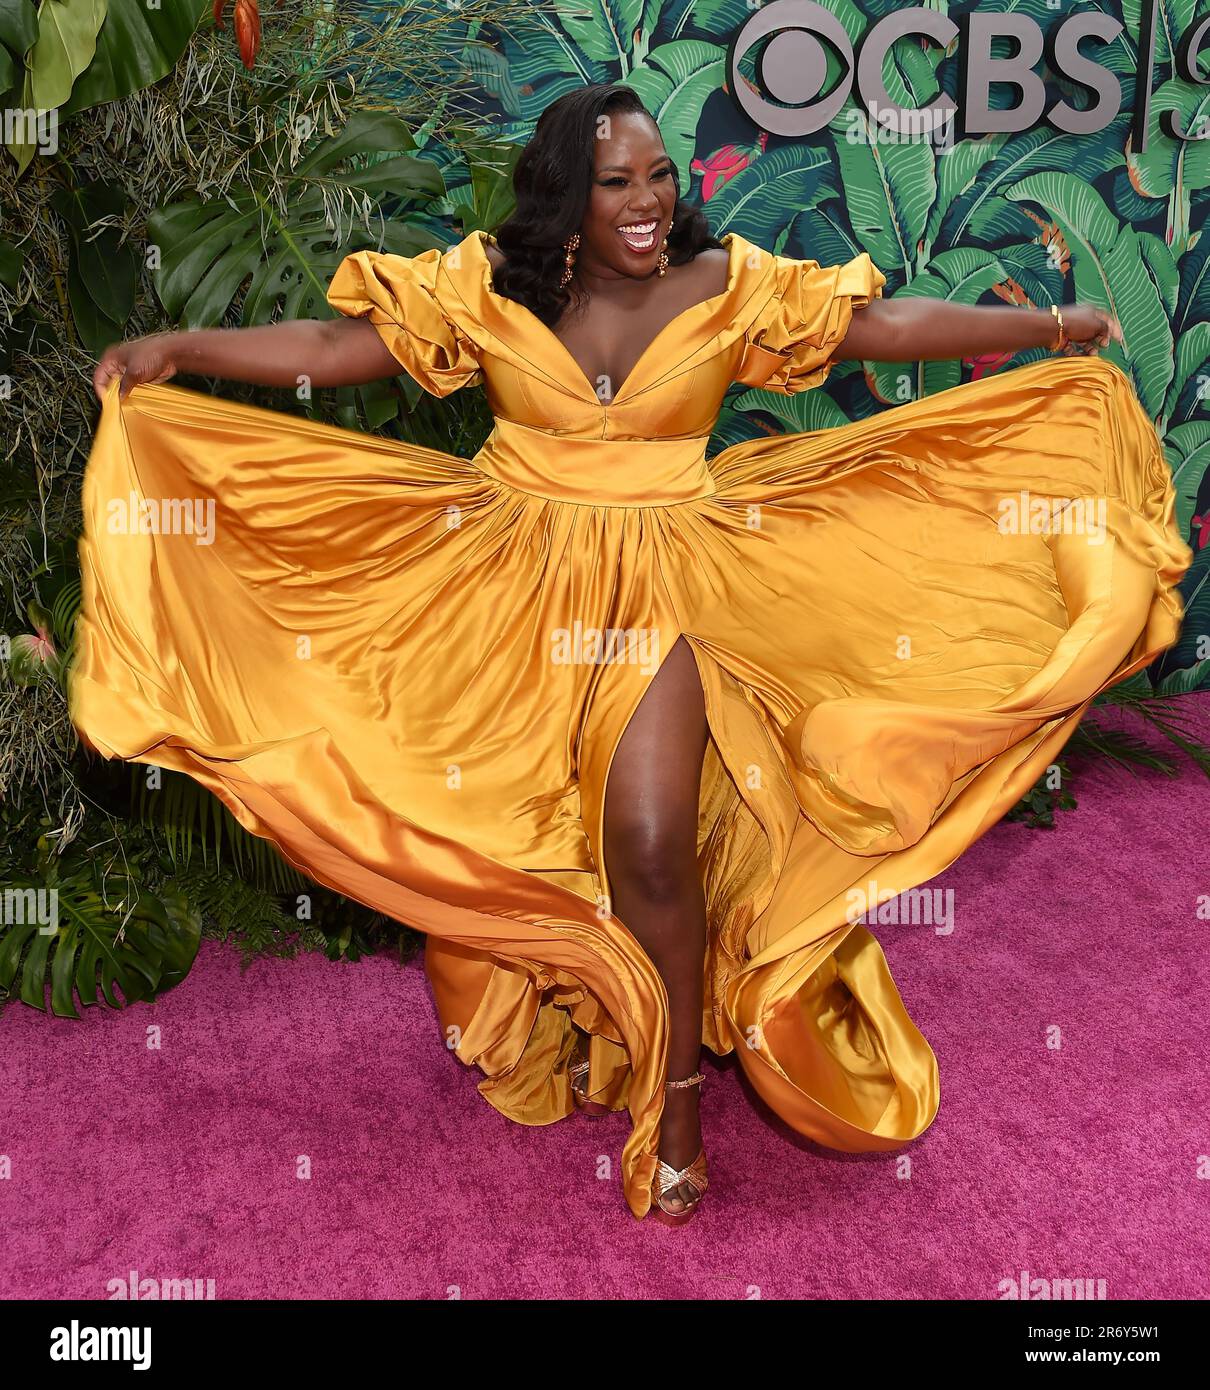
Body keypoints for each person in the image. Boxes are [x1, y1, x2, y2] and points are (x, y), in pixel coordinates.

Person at [77, 82, 1191, 1226]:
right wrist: (179, 345)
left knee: (652, 838)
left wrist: (1048, 329)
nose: (650, 198)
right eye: (619, 181)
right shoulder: (490, 287)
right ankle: (577, 1011)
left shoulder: (725, 286)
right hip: (508, 580)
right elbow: (337, 344)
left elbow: (882, 328)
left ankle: (677, 1099)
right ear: (568, 194)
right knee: (522, 828)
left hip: (672, 577)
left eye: (659, 174)